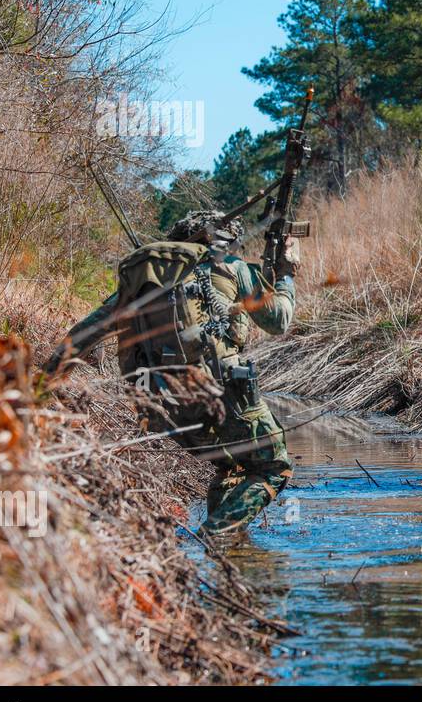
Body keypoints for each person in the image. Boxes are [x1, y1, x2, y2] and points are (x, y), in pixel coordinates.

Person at [44, 210, 301, 539]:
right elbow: (279, 320)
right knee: (273, 466)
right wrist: (286, 277)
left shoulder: (142, 284)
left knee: (233, 466)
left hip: (163, 409)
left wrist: (40, 386)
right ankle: (214, 535)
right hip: (223, 396)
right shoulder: (228, 267)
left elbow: (81, 337)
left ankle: (229, 553)